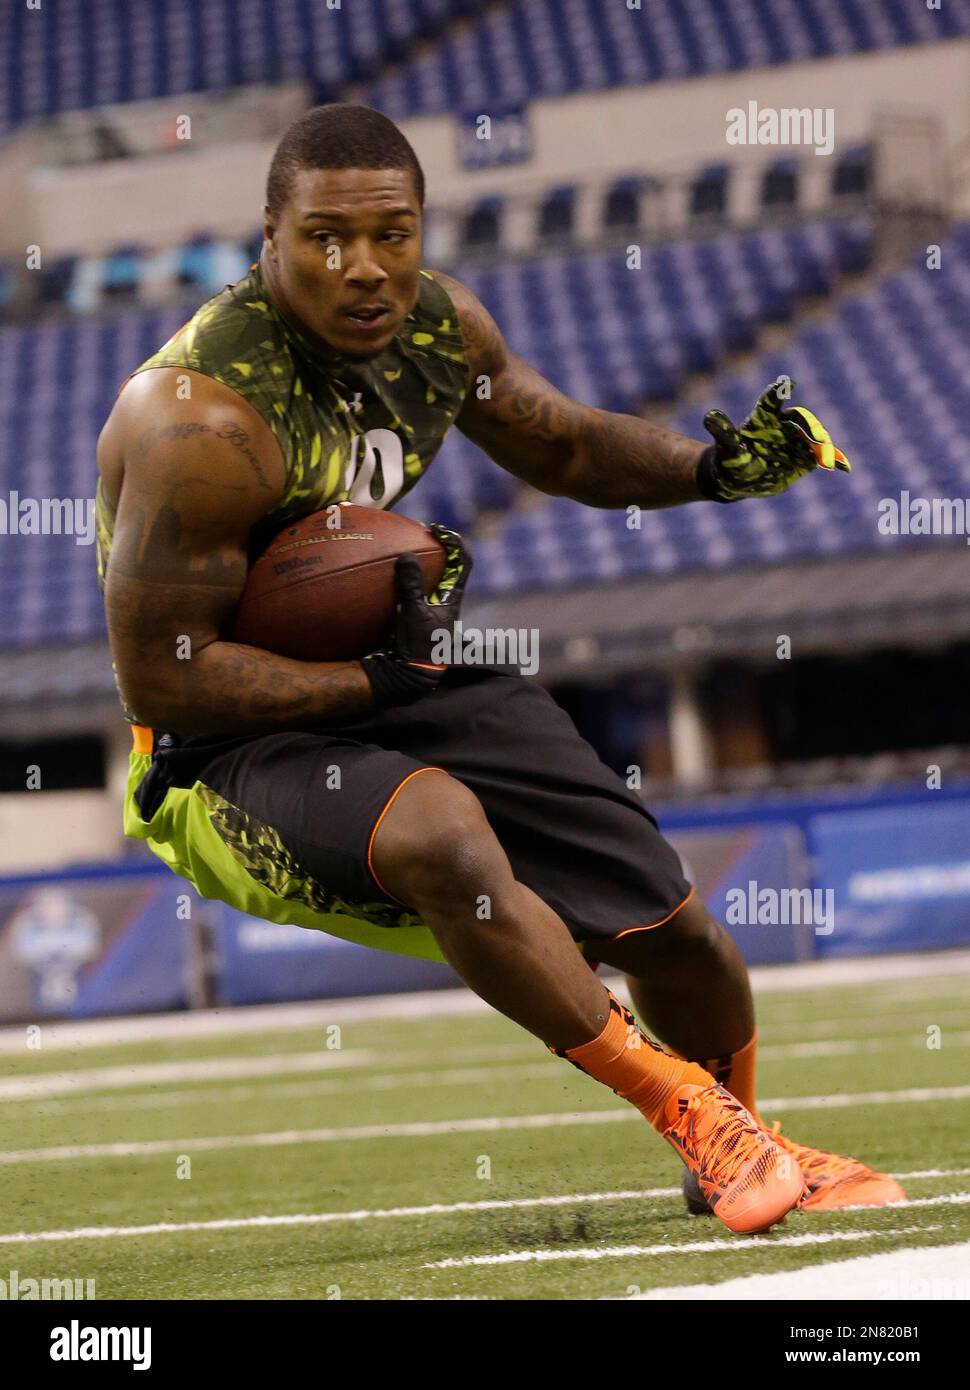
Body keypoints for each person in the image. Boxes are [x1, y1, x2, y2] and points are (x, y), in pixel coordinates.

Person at [96, 104, 902, 1236]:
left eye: (394, 232)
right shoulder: (199, 419)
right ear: (267, 237)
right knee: (439, 835)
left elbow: (566, 444)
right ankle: (693, 1116)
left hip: (383, 673)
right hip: (215, 748)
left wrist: (713, 469)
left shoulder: (436, 332)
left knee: (675, 931)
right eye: (326, 236)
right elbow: (162, 680)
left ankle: (746, 1136)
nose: (364, 267)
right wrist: (376, 685)